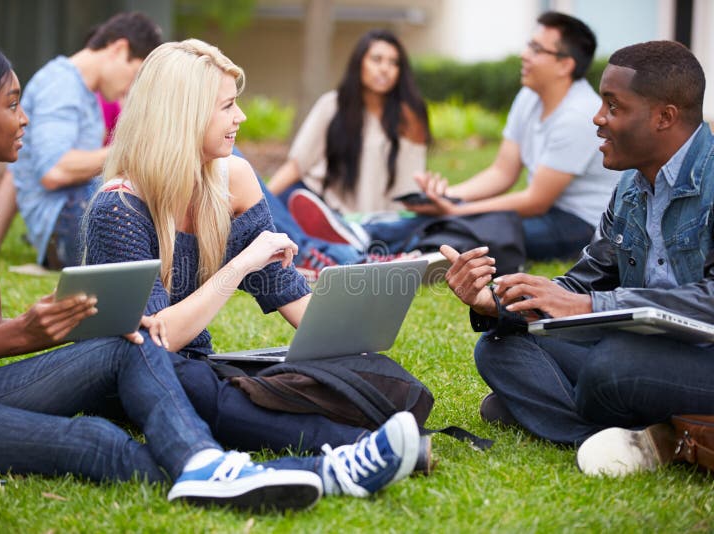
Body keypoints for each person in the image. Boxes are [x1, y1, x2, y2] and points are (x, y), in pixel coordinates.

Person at [0, 37, 420, 511]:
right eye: (11, 104)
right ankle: (318, 467)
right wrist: (29, 332)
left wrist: (352, 337)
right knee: (107, 424)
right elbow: (158, 340)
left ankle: (238, 462)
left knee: (148, 353)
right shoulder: (118, 208)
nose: (25, 119)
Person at [440, 40, 714, 476]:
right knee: (500, 349)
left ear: (665, 117)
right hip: (637, 351)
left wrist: (591, 306)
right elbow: (582, 285)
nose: (597, 118)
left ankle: (567, 414)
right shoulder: (629, 188)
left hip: (698, 359)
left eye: (613, 106)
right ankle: (644, 437)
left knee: (613, 368)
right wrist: (497, 304)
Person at [354, 12, 622, 262]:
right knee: (456, 219)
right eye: (529, 45)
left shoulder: (578, 114)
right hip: (548, 210)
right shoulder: (530, 97)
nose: (524, 55)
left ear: (565, 65)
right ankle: (363, 233)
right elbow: (502, 173)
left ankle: (372, 242)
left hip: (580, 224)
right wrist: (447, 197)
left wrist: (456, 211)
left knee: (470, 228)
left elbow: (536, 201)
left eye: (536, 49)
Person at [11, 12, 162, 270]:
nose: (131, 87)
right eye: (135, 74)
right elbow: (53, 169)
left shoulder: (86, 90)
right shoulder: (61, 83)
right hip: (63, 224)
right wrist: (134, 151)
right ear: (119, 49)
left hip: (74, 215)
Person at [267, 28, 430, 214]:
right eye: (376, 59)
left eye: (394, 63)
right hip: (320, 205)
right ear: (359, 63)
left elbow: (410, 181)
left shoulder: (409, 116)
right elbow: (297, 166)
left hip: (376, 222)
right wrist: (259, 204)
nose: (385, 69)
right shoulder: (332, 105)